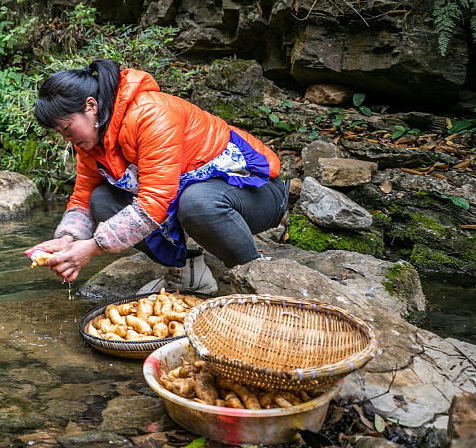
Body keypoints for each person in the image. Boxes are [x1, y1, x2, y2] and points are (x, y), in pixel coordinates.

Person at [27, 59, 288, 294]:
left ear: (91, 106)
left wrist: (93, 247)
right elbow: (82, 198)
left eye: (66, 128)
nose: (66, 138)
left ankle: (255, 280)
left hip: (258, 194)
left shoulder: (150, 114)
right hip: (186, 196)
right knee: (101, 200)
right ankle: (191, 274)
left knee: (197, 203)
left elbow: (154, 202)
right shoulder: (91, 143)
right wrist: (68, 239)